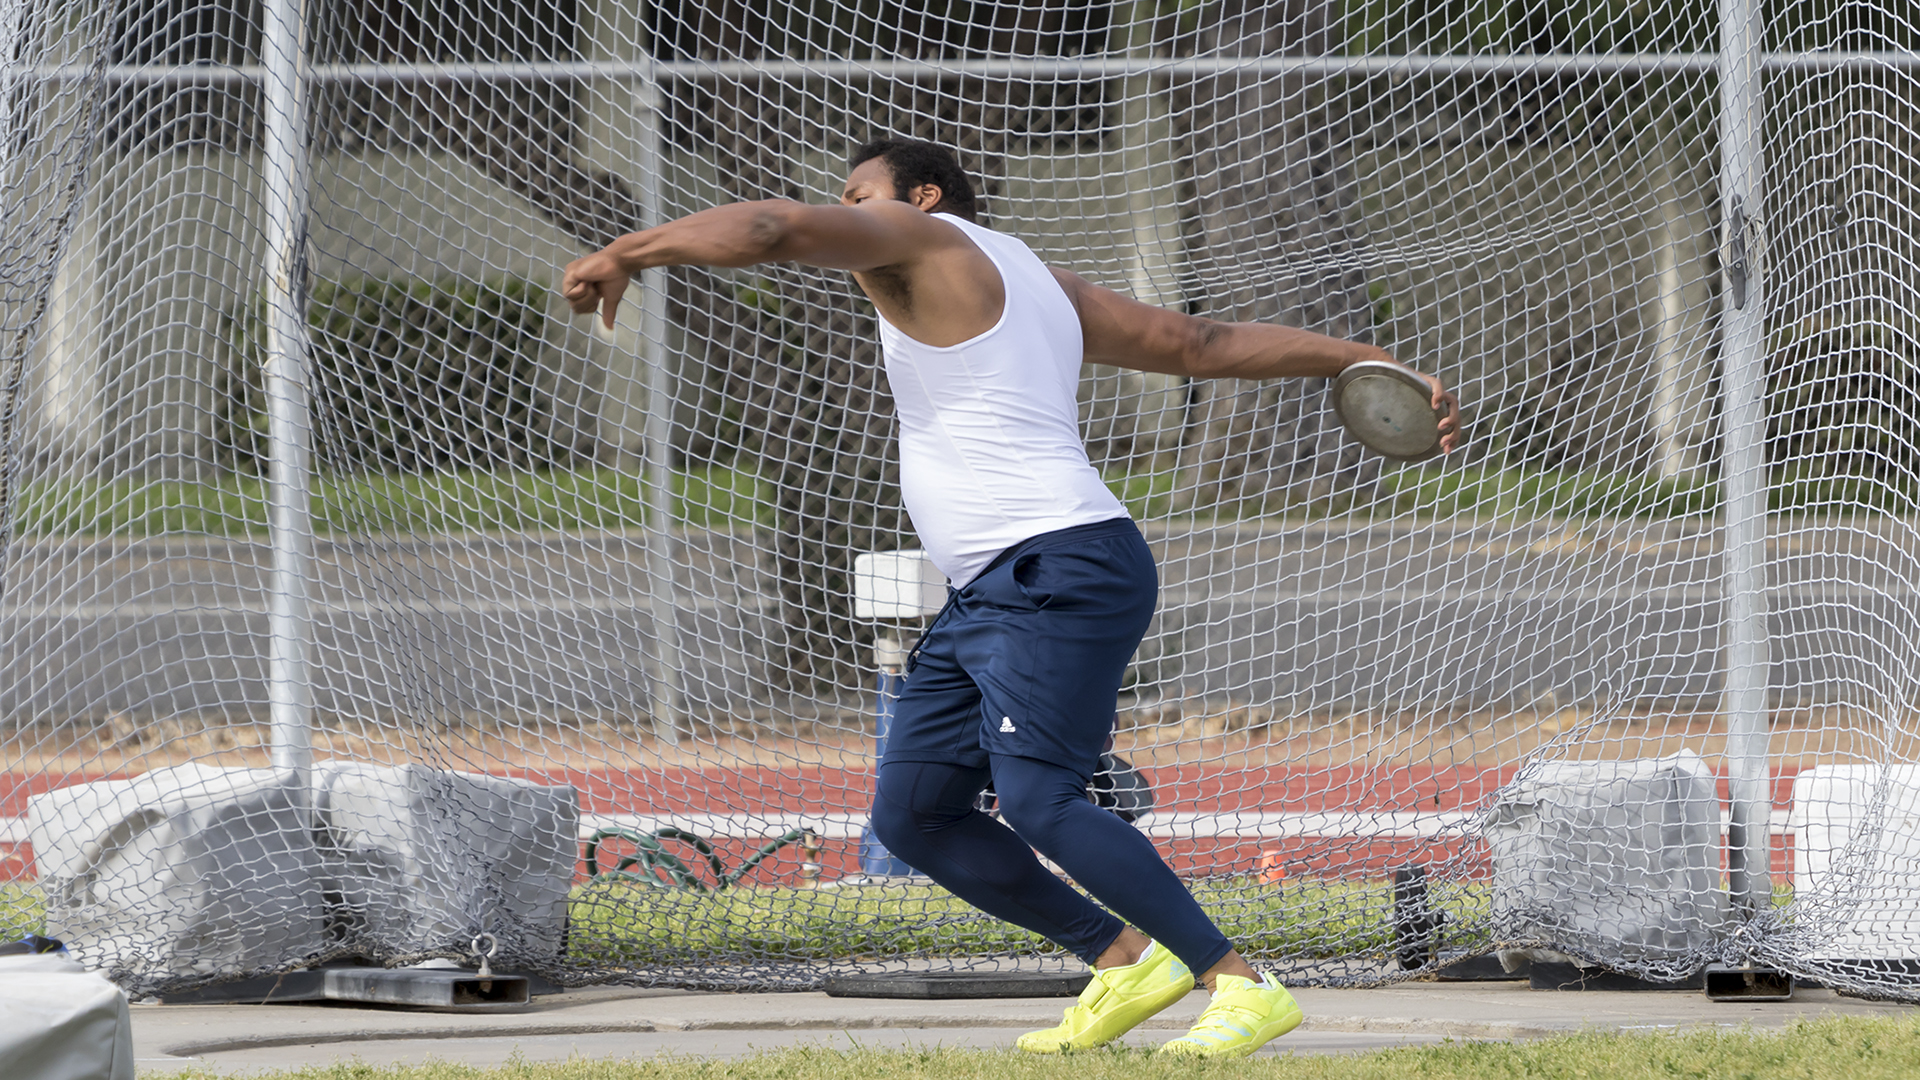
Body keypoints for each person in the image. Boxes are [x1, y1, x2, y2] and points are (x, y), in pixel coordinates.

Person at [563, 137, 1461, 1057]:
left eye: (861, 195)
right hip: (996, 587)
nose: (853, 212)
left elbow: (768, 226)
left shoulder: (915, 236)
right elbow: (1201, 344)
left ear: (919, 196)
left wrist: (629, 251)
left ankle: (1237, 982)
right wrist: (1357, 355)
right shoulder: (1039, 280)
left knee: (1042, 800)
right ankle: (1121, 959)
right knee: (914, 813)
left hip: (1053, 565)